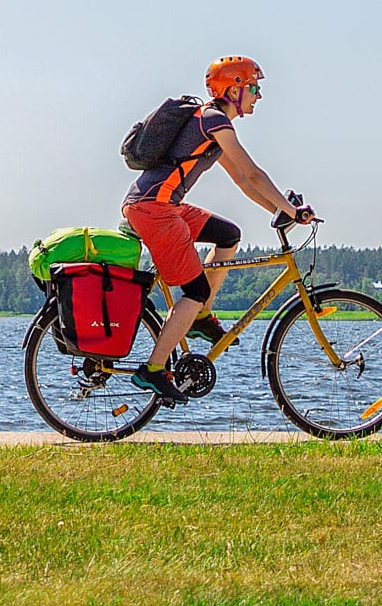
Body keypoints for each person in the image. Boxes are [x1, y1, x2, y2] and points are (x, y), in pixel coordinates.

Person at [123, 55, 314, 404]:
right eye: (253, 88)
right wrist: (292, 210)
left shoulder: (211, 123)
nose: (258, 95)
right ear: (234, 89)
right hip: (154, 208)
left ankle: (200, 316)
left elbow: (242, 179)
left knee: (228, 235)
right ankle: (153, 369)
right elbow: (254, 173)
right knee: (194, 290)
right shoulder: (213, 120)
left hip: (163, 205)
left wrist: (278, 211)